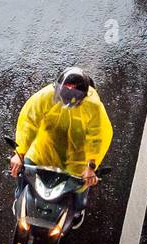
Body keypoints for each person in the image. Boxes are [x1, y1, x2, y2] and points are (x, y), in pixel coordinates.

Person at [9, 67, 112, 229]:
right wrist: (20, 153)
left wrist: (90, 166)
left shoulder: (94, 108)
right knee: (22, 176)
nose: (68, 98)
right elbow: (28, 123)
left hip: (76, 161)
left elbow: (98, 138)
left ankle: (77, 212)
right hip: (43, 152)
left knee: (80, 197)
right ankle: (19, 198)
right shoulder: (44, 97)